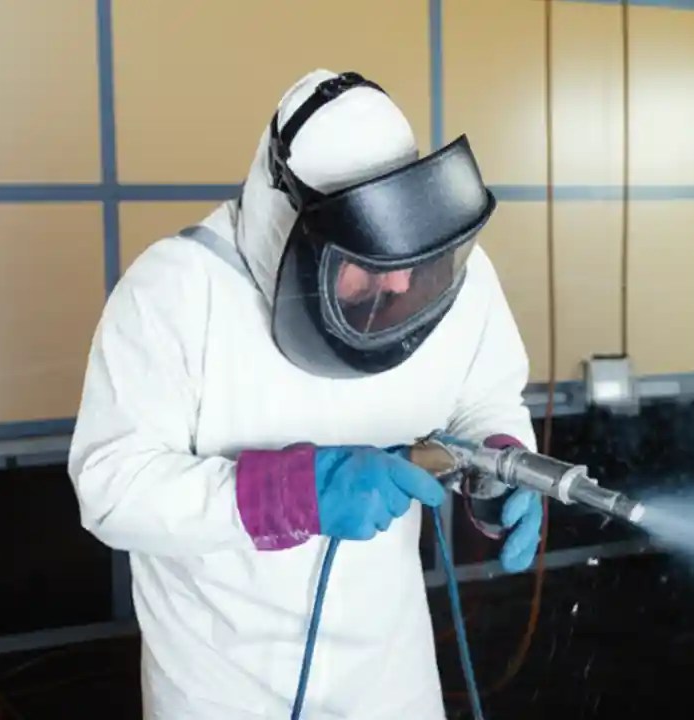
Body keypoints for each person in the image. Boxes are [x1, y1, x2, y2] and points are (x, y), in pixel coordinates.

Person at [68, 69, 544, 720]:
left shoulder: (444, 272)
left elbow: (484, 396)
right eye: (366, 252)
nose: (401, 279)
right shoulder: (176, 292)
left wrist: (501, 461)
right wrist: (287, 495)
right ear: (289, 222)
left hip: (389, 678)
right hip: (221, 685)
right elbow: (111, 488)